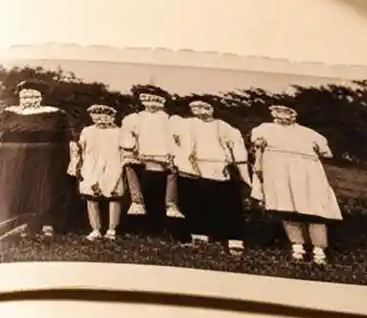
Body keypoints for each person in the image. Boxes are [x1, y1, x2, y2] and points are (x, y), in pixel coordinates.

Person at [0, 80, 78, 240]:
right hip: (13, 159)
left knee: (46, 189)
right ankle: (20, 225)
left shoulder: (56, 114)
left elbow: (70, 139)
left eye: (33, 96)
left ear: (40, 97)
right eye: (24, 96)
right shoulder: (7, 114)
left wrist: (74, 160)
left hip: (47, 159)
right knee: (19, 189)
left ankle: (47, 224)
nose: (28, 100)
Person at [250, 104, 343, 264]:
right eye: (277, 111)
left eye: (286, 111)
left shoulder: (308, 133)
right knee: (286, 208)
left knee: (314, 209)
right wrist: (259, 167)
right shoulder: (264, 129)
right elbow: (257, 152)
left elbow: (325, 152)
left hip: (308, 172)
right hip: (278, 171)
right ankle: (297, 247)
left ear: (293, 114)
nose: (281, 115)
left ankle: (319, 250)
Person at [172, 100, 251, 255]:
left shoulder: (223, 127)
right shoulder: (186, 124)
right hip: (193, 168)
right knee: (196, 203)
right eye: (194, 107)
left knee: (226, 204)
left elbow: (238, 149)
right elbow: (172, 138)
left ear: (211, 109)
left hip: (219, 168)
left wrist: (244, 176)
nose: (198, 110)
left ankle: (234, 239)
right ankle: (199, 237)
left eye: (203, 107)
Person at [120, 90, 184, 229]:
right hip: (141, 154)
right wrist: (132, 147)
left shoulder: (169, 119)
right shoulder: (135, 118)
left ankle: (171, 204)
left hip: (163, 155)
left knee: (173, 169)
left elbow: (176, 140)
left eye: (156, 102)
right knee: (128, 163)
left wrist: (172, 155)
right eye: (148, 102)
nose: (152, 106)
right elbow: (127, 137)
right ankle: (137, 202)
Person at [76, 104, 125, 241]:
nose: (101, 121)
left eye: (105, 118)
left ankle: (111, 229)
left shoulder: (119, 132)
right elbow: (82, 149)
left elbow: (126, 147)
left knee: (114, 196)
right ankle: (95, 229)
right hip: (91, 165)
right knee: (91, 197)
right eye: (97, 118)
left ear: (112, 118)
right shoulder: (87, 131)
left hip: (113, 164)